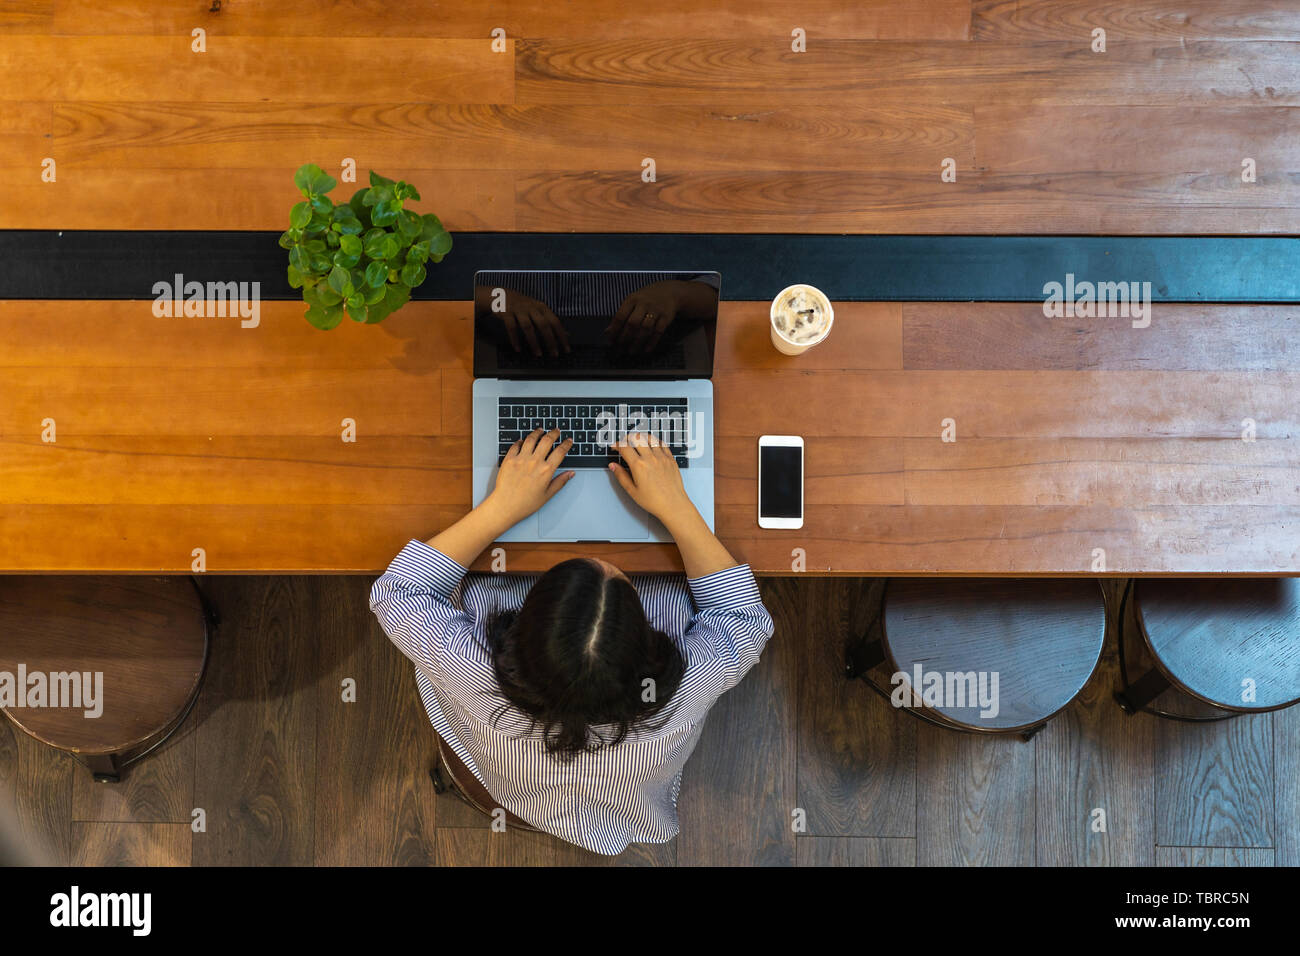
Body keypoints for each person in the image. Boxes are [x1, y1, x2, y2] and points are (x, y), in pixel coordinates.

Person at [370, 428, 774, 855]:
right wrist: (677, 509)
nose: (604, 559)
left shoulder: (475, 672)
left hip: (515, 788)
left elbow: (398, 595)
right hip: (630, 802)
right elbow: (744, 622)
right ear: (644, 648)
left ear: (526, 626)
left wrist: (501, 508)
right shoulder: (682, 691)